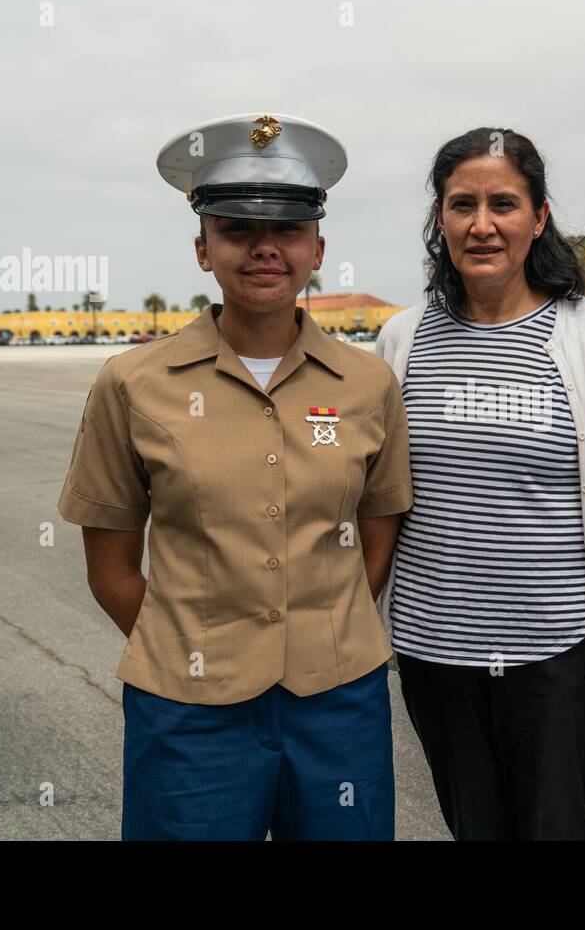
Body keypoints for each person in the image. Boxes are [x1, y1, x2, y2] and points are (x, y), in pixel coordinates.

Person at [57, 113, 413, 840]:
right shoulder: (133, 383)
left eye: (286, 231)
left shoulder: (367, 382)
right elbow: (112, 566)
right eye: (236, 229)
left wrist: (320, 635)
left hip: (338, 705)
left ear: (318, 247)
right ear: (202, 248)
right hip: (189, 713)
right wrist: (197, 647)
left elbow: (377, 537)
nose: (263, 249)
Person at [375, 127, 585, 840]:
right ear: (439, 220)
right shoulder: (401, 340)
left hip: (555, 660)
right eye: (461, 204)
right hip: (432, 654)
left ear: (538, 217)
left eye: (503, 203)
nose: (481, 223)